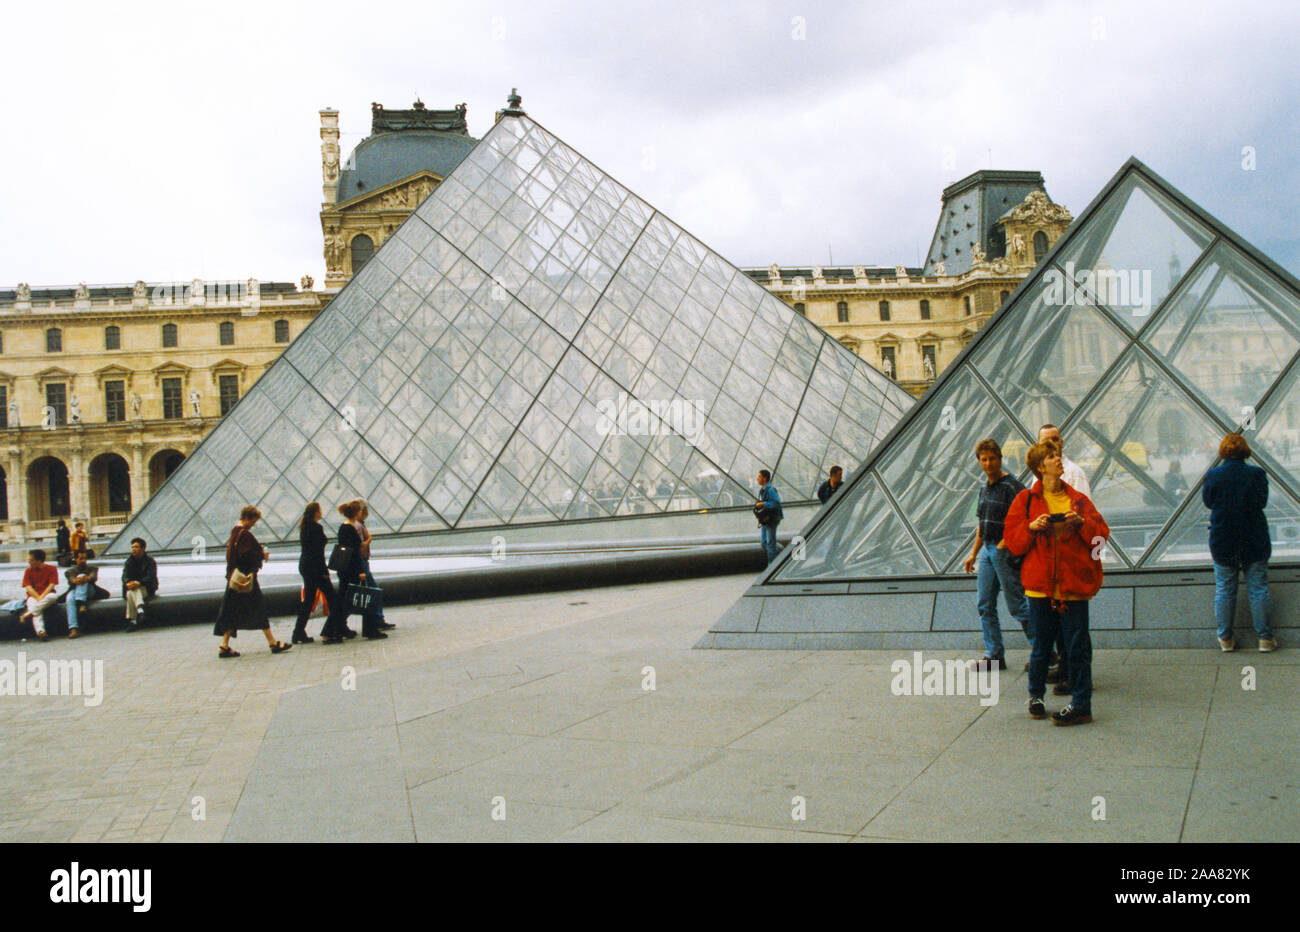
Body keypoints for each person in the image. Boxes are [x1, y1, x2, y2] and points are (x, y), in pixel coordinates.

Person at [1004, 441, 1109, 726]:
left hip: (1072, 588)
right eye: (1051, 456)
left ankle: (1081, 705)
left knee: (1077, 648)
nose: (1058, 459)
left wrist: (1082, 525)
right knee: (1041, 647)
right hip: (1040, 588)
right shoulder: (1024, 501)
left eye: (1057, 454)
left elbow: (1101, 540)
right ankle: (1036, 696)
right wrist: (1030, 527)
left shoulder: (1078, 500)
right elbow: (1013, 544)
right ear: (1040, 467)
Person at [962, 439, 1033, 671]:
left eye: (992, 458)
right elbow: (982, 524)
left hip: (1004, 551)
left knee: (1017, 605)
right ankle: (994, 655)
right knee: (984, 604)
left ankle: (1044, 651)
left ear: (1000, 458)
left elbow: (1026, 519)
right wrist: (973, 553)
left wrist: (1005, 543)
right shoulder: (984, 488)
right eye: (984, 459)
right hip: (987, 552)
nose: (988, 463)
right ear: (979, 461)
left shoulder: (1012, 486)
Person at [1203, 433, 1277, 652]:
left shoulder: (1213, 475)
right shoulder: (1257, 474)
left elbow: (1208, 502)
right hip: (1254, 537)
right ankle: (1264, 639)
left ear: (1223, 451)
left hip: (1223, 539)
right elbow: (1262, 502)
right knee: (1258, 589)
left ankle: (1225, 639)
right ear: (1245, 451)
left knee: (1225, 589)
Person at [1037, 425, 1090, 687]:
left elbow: (1087, 515)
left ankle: (1078, 676)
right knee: (1059, 619)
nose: (1053, 445)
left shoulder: (1074, 473)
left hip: (1069, 557)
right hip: (1050, 559)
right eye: (1047, 441)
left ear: (1062, 441)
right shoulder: (1038, 478)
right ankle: (1066, 666)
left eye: (1055, 439)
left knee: (1075, 622)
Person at [213, 505, 291, 658]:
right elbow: (247, 555)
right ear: (247, 518)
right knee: (259, 608)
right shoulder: (245, 535)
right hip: (246, 580)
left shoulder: (234, 532)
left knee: (231, 611)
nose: (253, 525)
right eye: (253, 522)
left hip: (234, 580)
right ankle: (273, 643)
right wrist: (262, 554)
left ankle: (224, 645)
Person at [321, 500, 385, 642]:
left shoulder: (344, 527)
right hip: (352, 571)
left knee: (343, 602)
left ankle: (331, 631)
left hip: (345, 570)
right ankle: (369, 630)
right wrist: (360, 571)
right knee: (364, 598)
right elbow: (355, 552)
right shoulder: (350, 529)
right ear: (357, 512)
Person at [293, 502, 337, 644]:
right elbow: (318, 553)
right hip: (316, 568)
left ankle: (298, 632)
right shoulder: (316, 528)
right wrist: (324, 571)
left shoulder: (304, 527)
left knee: (309, 601)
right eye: (320, 510)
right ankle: (331, 631)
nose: (322, 512)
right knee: (334, 599)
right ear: (316, 512)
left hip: (306, 566)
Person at [355, 501, 394, 631]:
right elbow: (360, 546)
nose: (366, 514)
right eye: (364, 511)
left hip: (362, 563)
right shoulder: (358, 526)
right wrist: (369, 539)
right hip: (362, 563)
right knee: (373, 590)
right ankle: (377, 620)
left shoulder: (357, 525)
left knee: (369, 592)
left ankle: (377, 620)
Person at [60, 551, 109, 639]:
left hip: (90, 591)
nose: (83, 561)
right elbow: (71, 579)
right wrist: (76, 580)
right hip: (75, 591)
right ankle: (73, 628)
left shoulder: (92, 568)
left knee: (82, 576)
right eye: (80, 559)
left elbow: (93, 577)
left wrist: (86, 578)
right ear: (75, 559)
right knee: (69, 598)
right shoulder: (69, 571)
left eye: (84, 558)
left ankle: (81, 603)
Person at [18, 549, 59, 641]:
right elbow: (28, 587)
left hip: (47, 595)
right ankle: (41, 631)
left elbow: (51, 585)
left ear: (39, 561)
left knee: (53, 596)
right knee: (36, 606)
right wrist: (38, 598)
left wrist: (41, 597)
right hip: (33, 596)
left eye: (31, 560)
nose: (29, 562)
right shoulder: (28, 571)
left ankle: (28, 614)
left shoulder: (52, 569)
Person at [121, 538, 159, 631]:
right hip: (133, 587)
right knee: (132, 592)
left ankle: (133, 621)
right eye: (132, 547)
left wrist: (140, 583)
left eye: (136, 547)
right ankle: (140, 610)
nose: (133, 549)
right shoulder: (129, 561)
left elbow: (150, 577)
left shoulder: (150, 561)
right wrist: (128, 583)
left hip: (146, 587)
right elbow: (124, 576)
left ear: (143, 548)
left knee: (131, 593)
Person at [755, 470, 783, 566]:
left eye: (759, 476)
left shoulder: (770, 489)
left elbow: (776, 503)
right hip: (766, 519)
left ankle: (771, 566)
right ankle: (782, 553)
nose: (757, 479)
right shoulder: (763, 490)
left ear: (764, 478)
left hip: (772, 519)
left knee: (770, 543)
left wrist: (763, 504)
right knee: (764, 542)